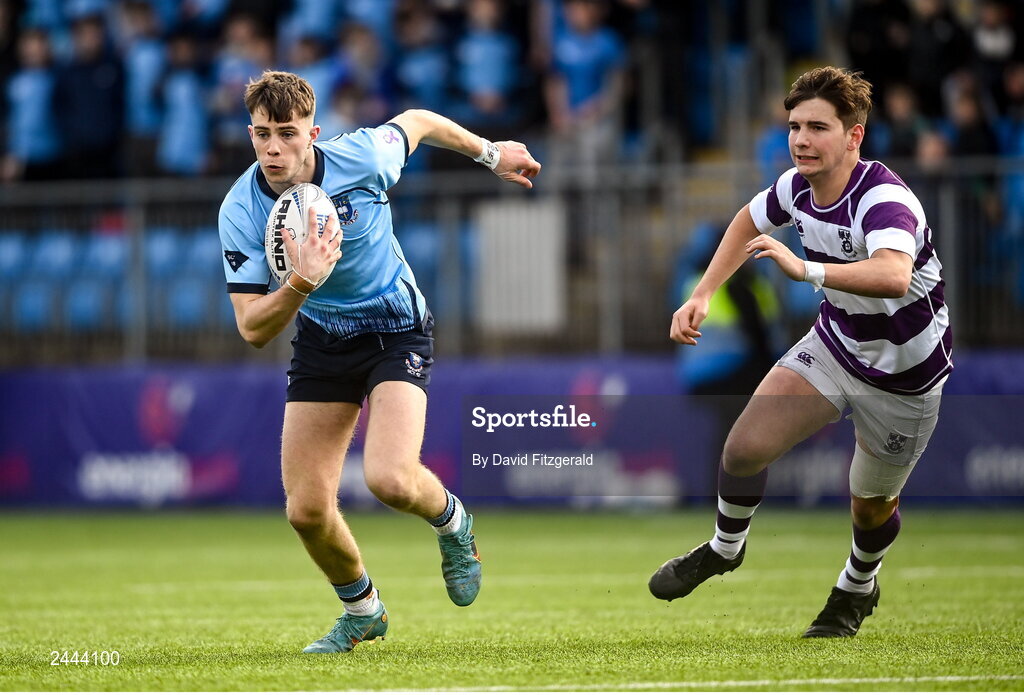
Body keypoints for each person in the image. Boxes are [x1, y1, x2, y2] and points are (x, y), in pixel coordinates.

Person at [218, 71, 541, 653]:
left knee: (389, 479)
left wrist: (491, 155)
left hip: (397, 330)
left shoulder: (362, 156)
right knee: (306, 510)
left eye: (286, 134)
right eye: (261, 134)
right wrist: (298, 285)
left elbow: (418, 122)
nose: (272, 148)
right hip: (323, 340)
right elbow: (251, 327)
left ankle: (452, 522)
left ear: (312, 133)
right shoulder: (240, 208)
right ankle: (363, 611)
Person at [649, 67, 952, 638]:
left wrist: (804, 268)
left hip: (905, 376)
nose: (801, 140)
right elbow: (746, 219)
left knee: (869, 507)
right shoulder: (795, 186)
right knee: (742, 450)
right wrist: (703, 293)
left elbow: (892, 275)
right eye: (794, 126)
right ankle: (724, 548)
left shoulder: (884, 198)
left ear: (854, 136)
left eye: (818, 127)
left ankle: (857, 585)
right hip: (837, 347)